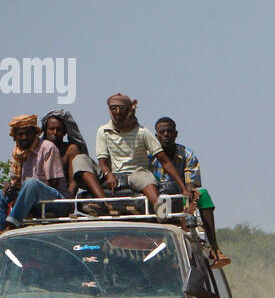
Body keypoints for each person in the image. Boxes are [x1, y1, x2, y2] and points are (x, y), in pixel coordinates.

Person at [0, 114, 69, 265]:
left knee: (31, 184)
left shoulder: (47, 148)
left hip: (57, 201)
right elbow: (16, 183)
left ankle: (8, 230)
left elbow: (53, 183)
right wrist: (11, 187)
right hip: (31, 201)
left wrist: (25, 192)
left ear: (34, 133)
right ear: (14, 137)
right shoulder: (16, 154)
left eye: (27, 133)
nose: (24, 137)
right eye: (20, 134)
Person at [94, 94, 196, 216]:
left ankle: (159, 207)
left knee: (146, 178)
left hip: (137, 172)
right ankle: (105, 204)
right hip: (114, 174)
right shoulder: (103, 131)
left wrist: (183, 187)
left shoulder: (142, 132)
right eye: (113, 108)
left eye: (121, 108)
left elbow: (164, 161)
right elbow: (102, 160)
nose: (117, 111)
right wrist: (107, 173)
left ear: (129, 110)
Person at [151, 116, 231, 269]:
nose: (166, 135)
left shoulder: (187, 154)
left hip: (181, 198)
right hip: (158, 200)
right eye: (162, 132)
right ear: (156, 136)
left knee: (203, 193)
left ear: (176, 134)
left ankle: (214, 247)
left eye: (169, 131)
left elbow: (191, 182)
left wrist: (187, 191)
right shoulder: (150, 156)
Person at [42, 109, 108, 203]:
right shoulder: (39, 150)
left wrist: (67, 202)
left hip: (63, 196)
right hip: (42, 195)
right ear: (46, 130)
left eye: (59, 129)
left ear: (65, 132)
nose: (55, 133)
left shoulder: (70, 149)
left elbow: (74, 182)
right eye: (51, 129)